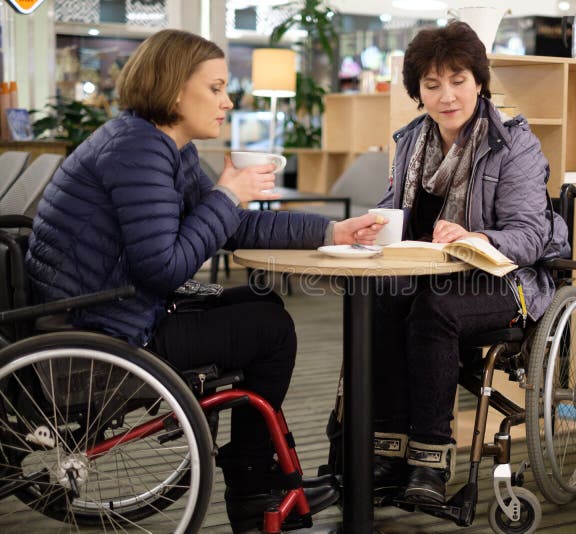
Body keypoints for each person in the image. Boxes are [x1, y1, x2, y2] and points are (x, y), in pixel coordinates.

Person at [25, 29, 384, 533]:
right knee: (271, 330)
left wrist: (331, 231)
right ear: (175, 91)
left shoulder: (162, 145)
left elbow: (232, 226)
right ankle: (253, 488)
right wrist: (227, 196)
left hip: (108, 311)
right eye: (215, 88)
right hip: (101, 338)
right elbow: (166, 266)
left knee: (264, 304)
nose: (228, 101)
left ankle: (256, 482)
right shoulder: (140, 151)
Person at [370, 21, 571, 505]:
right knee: (377, 297)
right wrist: (373, 227)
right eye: (432, 84)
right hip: (429, 275)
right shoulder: (411, 141)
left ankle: (430, 460)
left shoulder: (513, 143)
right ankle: (385, 449)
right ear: (417, 92)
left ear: (479, 81)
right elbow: (395, 211)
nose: (446, 96)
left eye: (458, 80)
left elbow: (530, 235)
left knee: (434, 310)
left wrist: (477, 237)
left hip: (506, 280)